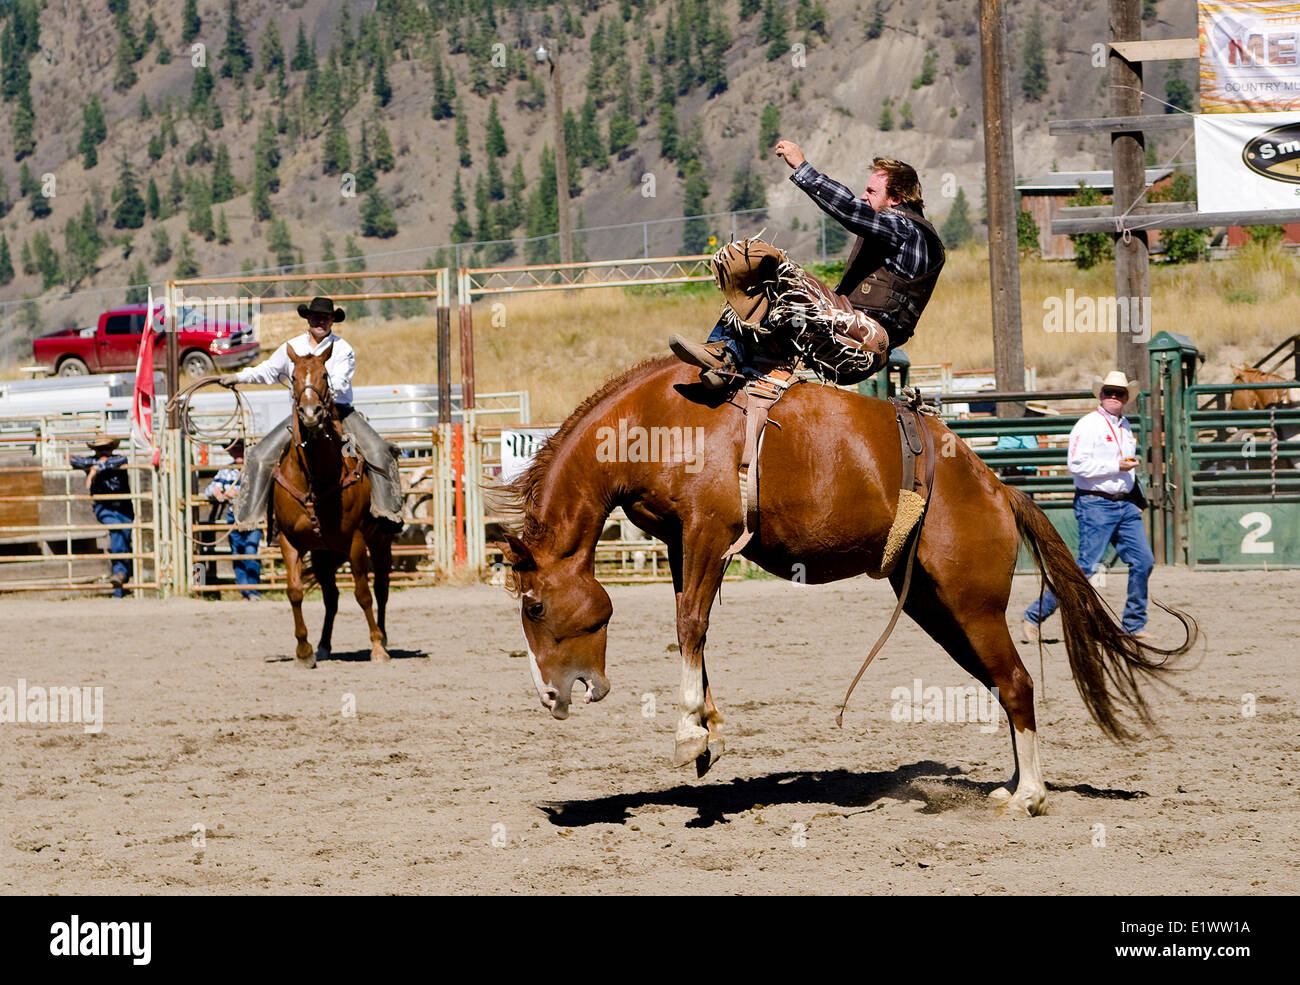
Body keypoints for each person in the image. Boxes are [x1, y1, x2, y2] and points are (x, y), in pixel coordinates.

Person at [670, 140, 946, 386]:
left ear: (896, 198)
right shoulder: (915, 236)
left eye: (871, 191)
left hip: (860, 336)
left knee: (773, 271)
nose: (864, 196)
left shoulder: (904, 228)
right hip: (860, 346)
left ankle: (723, 351)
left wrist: (802, 167)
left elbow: (851, 209)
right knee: (784, 309)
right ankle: (739, 367)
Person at [219, 296, 403, 533]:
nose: (320, 321)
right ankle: (250, 518)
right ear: (308, 319)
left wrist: (317, 395)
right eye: (316, 317)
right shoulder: (292, 347)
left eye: (325, 318)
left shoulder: (343, 349)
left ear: (332, 321)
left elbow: (341, 382)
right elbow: (267, 370)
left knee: (379, 449)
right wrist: (237, 377)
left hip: (339, 413)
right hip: (301, 414)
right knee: (259, 455)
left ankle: (388, 512)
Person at [1022, 371, 1154, 641]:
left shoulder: (1125, 426)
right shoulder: (1088, 425)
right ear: (1101, 395)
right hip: (1096, 503)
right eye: (1109, 392)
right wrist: (1115, 466)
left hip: (1124, 504)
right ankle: (1035, 614)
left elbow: (1126, 466)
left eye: (1119, 393)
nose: (1114, 397)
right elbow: (1077, 464)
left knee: (1143, 561)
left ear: (1127, 397)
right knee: (1086, 567)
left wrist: (1136, 496)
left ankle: (1133, 625)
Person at [70, 435, 133, 598]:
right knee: (118, 532)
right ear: (95, 450)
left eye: (106, 448)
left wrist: (96, 470)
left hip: (124, 508)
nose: (103, 452)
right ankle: (120, 576)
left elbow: (121, 460)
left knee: (122, 540)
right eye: (99, 449)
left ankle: (120, 586)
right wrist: (98, 466)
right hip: (104, 507)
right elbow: (75, 461)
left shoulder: (118, 459)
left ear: (112, 449)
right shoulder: (94, 461)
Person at [206, 438, 261, 599]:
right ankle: (245, 590)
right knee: (238, 552)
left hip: (251, 517)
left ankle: (252, 590)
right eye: (234, 449)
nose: (237, 452)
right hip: (234, 517)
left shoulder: (254, 469)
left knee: (250, 550)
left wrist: (235, 494)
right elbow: (211, 488)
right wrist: (216, 491)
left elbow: (259, 491)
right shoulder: (226, 471)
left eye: (240, 449)